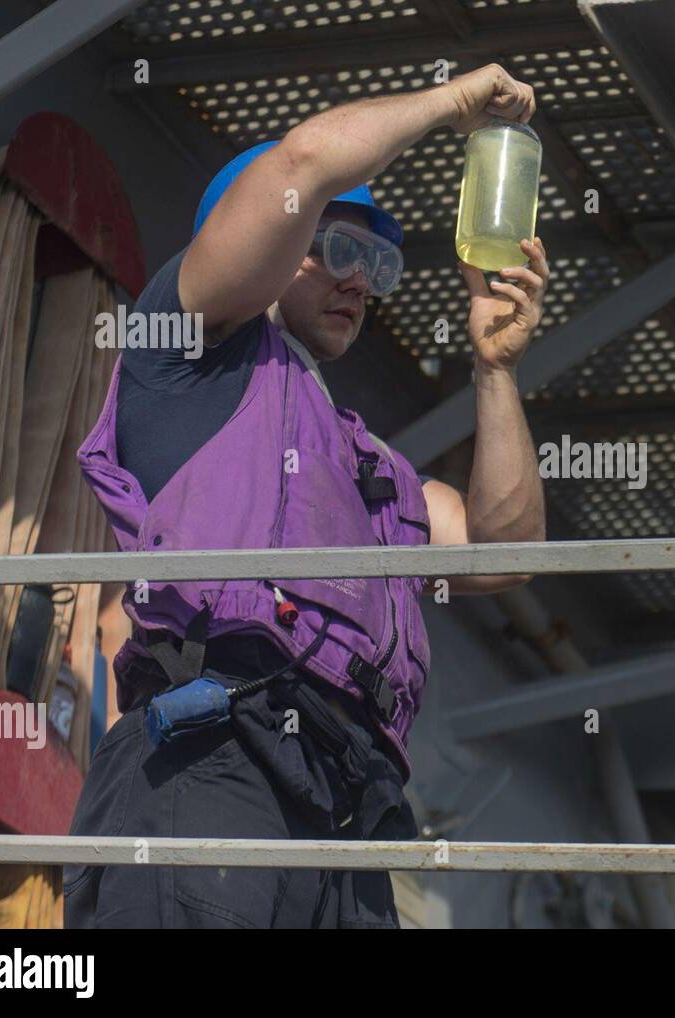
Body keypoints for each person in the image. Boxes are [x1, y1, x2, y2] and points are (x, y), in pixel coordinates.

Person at [66, 65, 548, 928]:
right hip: (213, 759)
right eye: (339, 248)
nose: (362, 281)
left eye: (380, 262)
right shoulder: (183, 347)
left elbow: (502, 550)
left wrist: (497, 369)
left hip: (351, 804)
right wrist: (453, 103)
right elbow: (301, 166)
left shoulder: (365, 466)